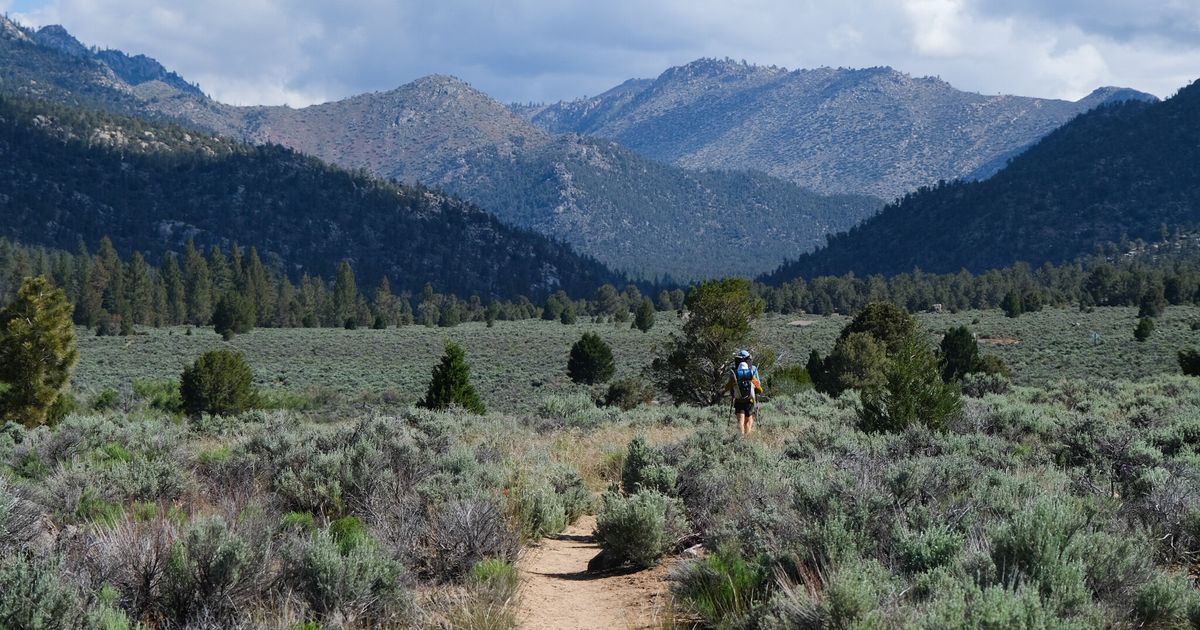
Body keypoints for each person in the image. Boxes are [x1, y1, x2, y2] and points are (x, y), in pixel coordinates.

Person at [724, 349, 763, 435]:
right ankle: (747, 438)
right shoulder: (753, 370)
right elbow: (759, 387)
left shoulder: (734, 371)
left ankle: (740, 439)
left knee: (740, 421)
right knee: (748, 421)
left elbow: (727, 387)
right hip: (750, 401)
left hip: (738, 400)